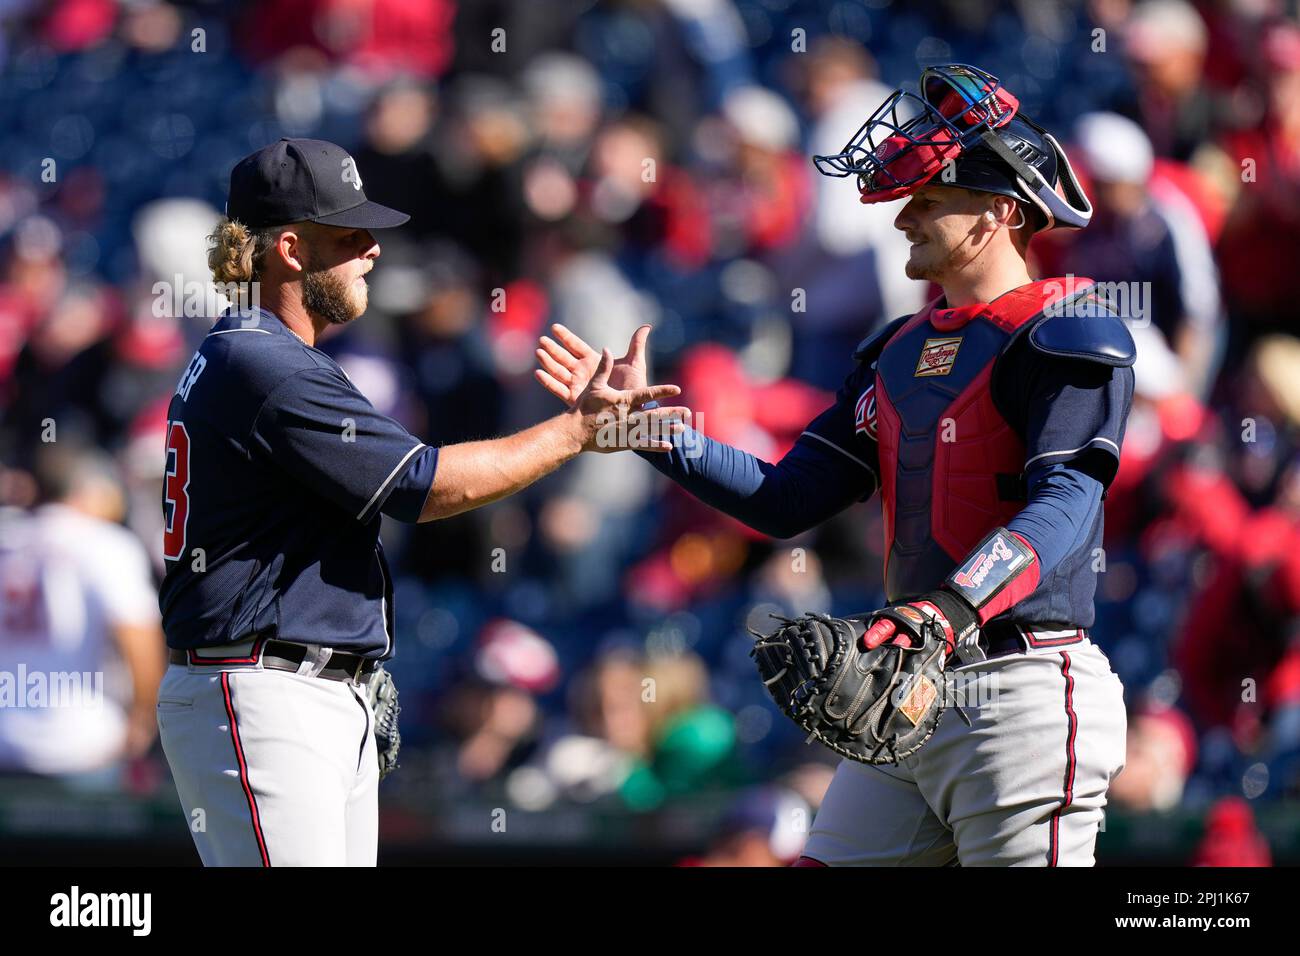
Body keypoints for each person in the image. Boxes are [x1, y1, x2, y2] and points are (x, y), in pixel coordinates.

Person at [535, 66, 1135, 866]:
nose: (904, 220)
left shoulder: (1070, 328)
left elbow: (1066, 502)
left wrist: (951, 607)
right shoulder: (898, 349)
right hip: (911, 681)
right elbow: (787, 499)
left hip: (1023, 683)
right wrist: (649, 432)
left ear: (1000, 212)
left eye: (930, 199)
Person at [155, 138, 686, 866]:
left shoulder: (256, 352)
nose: (372, 249)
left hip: (292, 686)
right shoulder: (265, 362)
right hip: (262, 690)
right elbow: (424, 486)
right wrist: (579, 431)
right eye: (349, 234)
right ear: (287, 248)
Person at [0, 446, 164, 776]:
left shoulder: (8, 538)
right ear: (85, 488)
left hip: (6, 739)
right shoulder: (104, 543)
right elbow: (140, 641)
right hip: (82, 742)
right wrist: (144, 722)